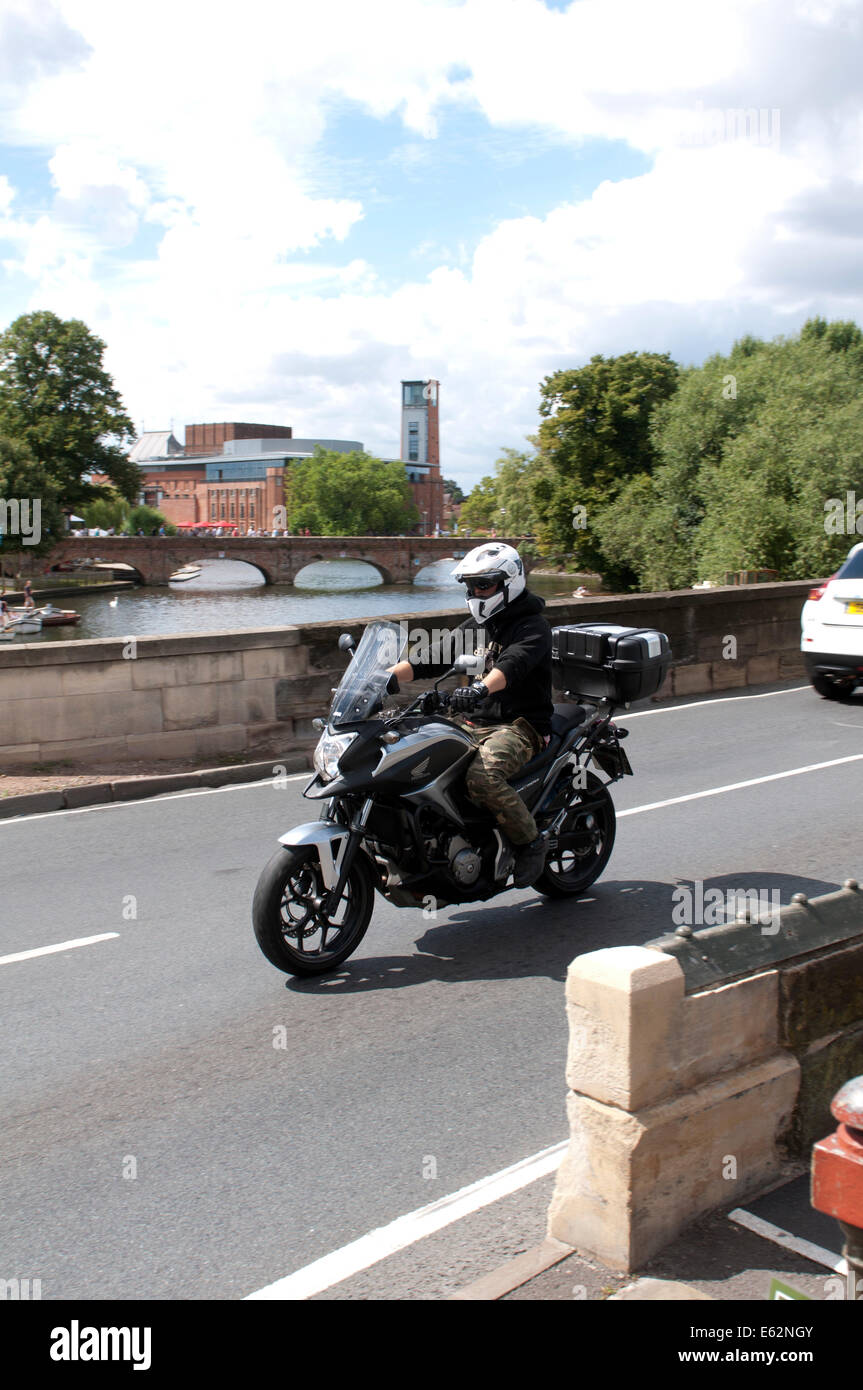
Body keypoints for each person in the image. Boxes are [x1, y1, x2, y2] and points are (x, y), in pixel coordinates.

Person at [389, 542, 553, 888]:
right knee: (411, 758)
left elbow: (512, 665)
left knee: (483, 777)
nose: (475, 592)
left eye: (484, 585)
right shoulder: (479, 623)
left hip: (519, 726)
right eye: (470, 586)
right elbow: (434, 655)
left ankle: (530, 843)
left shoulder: (532, 626)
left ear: (510, 582)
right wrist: (386, 678)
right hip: (471, 723)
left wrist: (480, 688)